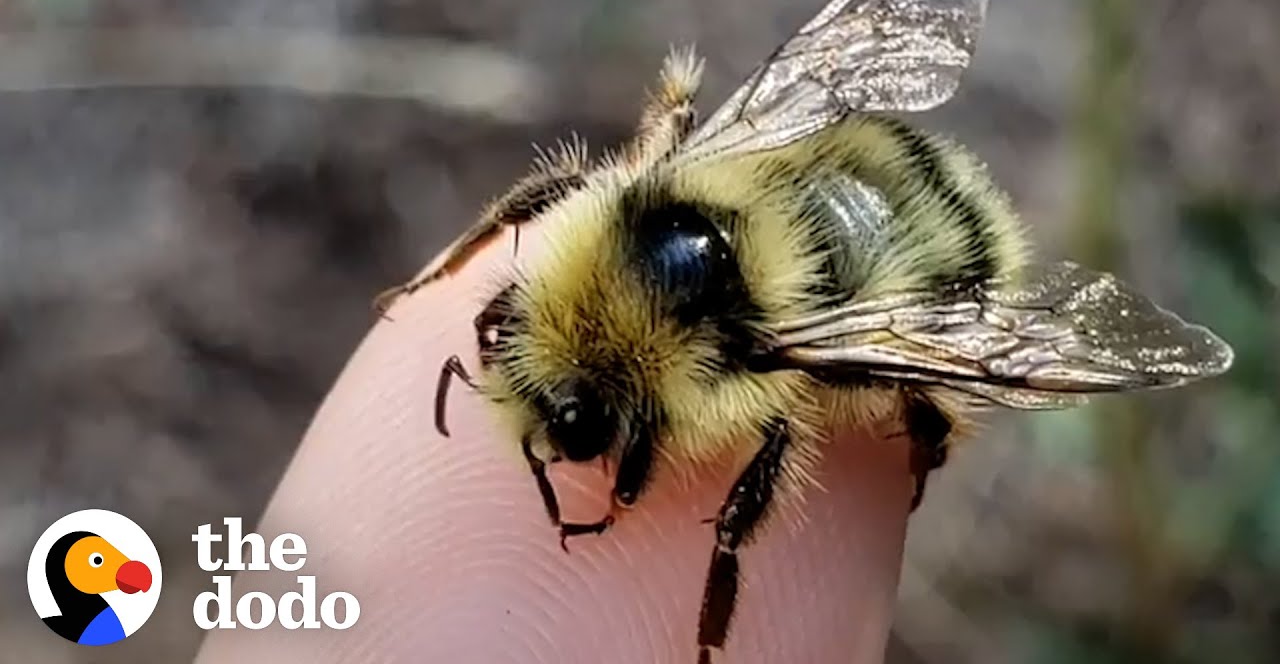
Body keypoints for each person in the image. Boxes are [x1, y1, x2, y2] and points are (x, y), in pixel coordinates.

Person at [194, 226, 911, 663]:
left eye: (581, 431)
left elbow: (767, 419)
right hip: (809, 185)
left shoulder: (759, 345)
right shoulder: (628, 228)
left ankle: (711, 647)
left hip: (905, 249)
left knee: (792, 420)